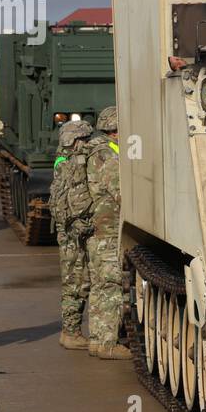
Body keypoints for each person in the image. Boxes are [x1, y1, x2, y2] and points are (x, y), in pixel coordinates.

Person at [85, 106, 131, 359]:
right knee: (111, 287)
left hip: (98, 232)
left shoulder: (95, 150)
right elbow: (121, 193)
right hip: (108, 231)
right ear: (115, 131)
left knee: (100, 287)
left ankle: (96, 340)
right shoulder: (107, 155)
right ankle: (107, 344)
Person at [51, 118, 95, 350]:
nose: (88, 142)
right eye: (84, 138)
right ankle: (71, 332)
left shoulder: (62, 159)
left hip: (67, 229)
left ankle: (72, 330)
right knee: (76, 281)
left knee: (75, 281)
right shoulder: (72, 163)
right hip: (73, 231)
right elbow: (77, 197)